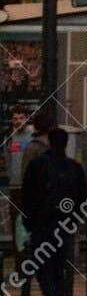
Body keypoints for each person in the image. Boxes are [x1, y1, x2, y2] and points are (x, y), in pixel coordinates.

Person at [19, 128, 87, 296]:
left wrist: (29, 222)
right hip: (64, 225)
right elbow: (83, 197)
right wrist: (74, 220)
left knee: (42, 267)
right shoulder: (74, 167)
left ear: (49, 141)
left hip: (41, 224)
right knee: (59, 268)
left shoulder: (37, 164)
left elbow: (26, 195)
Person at [4, 105, 32, 251]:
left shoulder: (33, 134)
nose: (18, 121)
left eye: (21, 118)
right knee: (16, 225)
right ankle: (19, 265)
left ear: (26, 119)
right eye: (15, 119)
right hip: (15, 187)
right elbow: (7, 160)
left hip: (30, 187)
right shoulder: (9, 136)